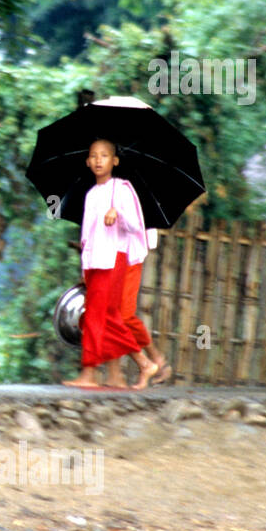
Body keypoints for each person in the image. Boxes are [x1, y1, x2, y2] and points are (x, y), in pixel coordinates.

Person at [64, 138, 158, 390]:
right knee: (104, 318)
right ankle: (144, 363)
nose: (98, 160)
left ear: (115, 161)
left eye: (104, 155)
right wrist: (85, 268)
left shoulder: (123, 189)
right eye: (93, 156)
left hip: (114, 259)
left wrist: (119, 214)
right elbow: (86, 235)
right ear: (87, 161)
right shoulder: (91, 194)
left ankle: (89, 373)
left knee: (96, 316)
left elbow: (137, 226)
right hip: (95, 261)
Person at [105, 226, 171, 387]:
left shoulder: (131, 200)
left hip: (128, 251)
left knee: (123, 316)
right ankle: (116, 375)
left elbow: (132, 220)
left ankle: (153, 360)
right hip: (109, 250)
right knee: (110, 312)